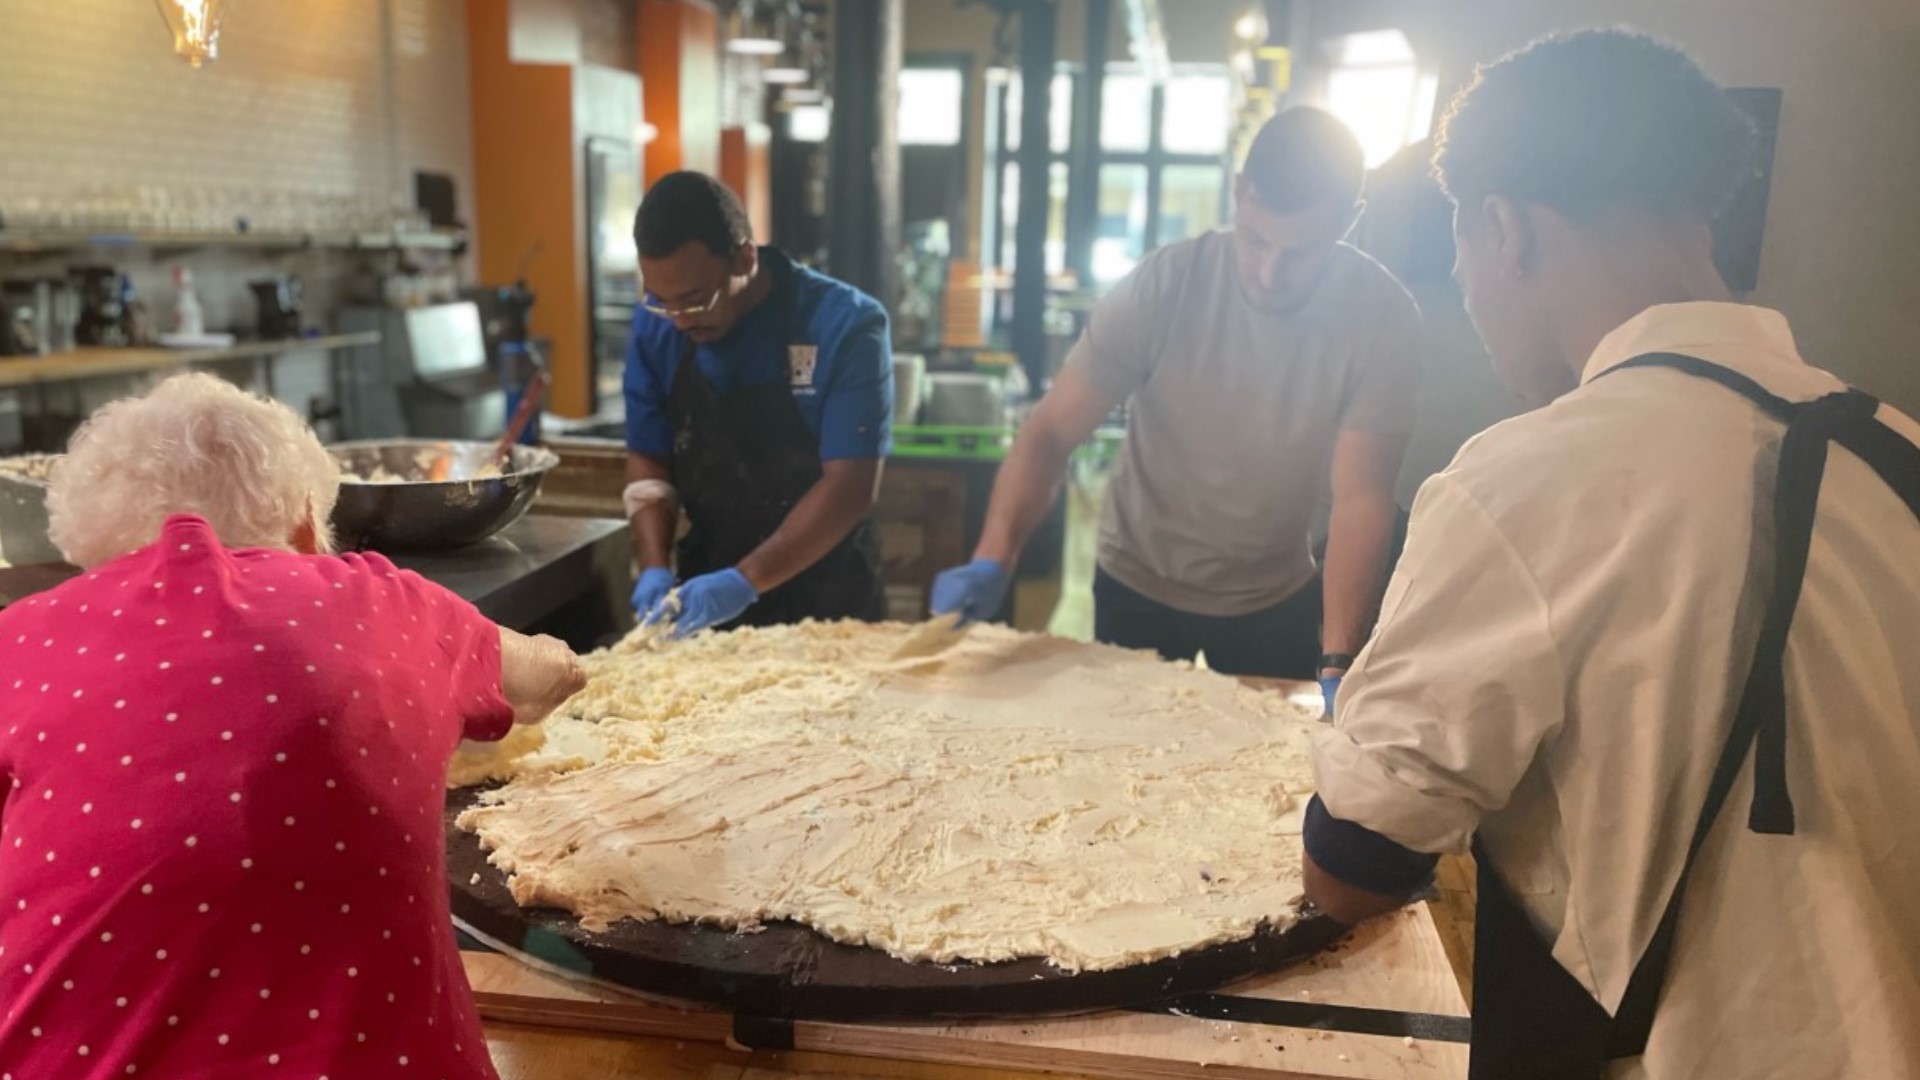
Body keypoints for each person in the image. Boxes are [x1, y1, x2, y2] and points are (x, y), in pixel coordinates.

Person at [1302, 29, 1920, 1079]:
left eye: (1461, 259)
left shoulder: (1530, 478)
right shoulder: (1894, 448)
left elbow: (1356, 866)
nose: (1472, 297)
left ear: (1504, 230)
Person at [0, 374, 586, 1078]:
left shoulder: (21, 636)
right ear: (308, 522)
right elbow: (547, 675)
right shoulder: (383, 602)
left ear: (96, 559)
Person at [931, 108, 1422, 707]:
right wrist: (993, 557)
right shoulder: (1166, 285)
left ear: (1350, 220)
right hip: (1138, 584)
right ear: (1239, 194)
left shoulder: (1382, 321)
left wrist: (1340, 659)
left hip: (1270, 593)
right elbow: (1051, 433)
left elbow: (1362, 498)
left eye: (1302, 253)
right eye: (1257, 240)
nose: (1271, 275)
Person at [622, 171, 893, 638]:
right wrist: (653, 566)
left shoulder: (845, 323)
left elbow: (850, 484)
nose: (681, 320)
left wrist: (745, 582)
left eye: (695, 299)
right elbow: (649, 458)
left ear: (745, 257)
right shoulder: (657, 330)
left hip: (828, 600)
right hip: (703, 590)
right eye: (662, 302)